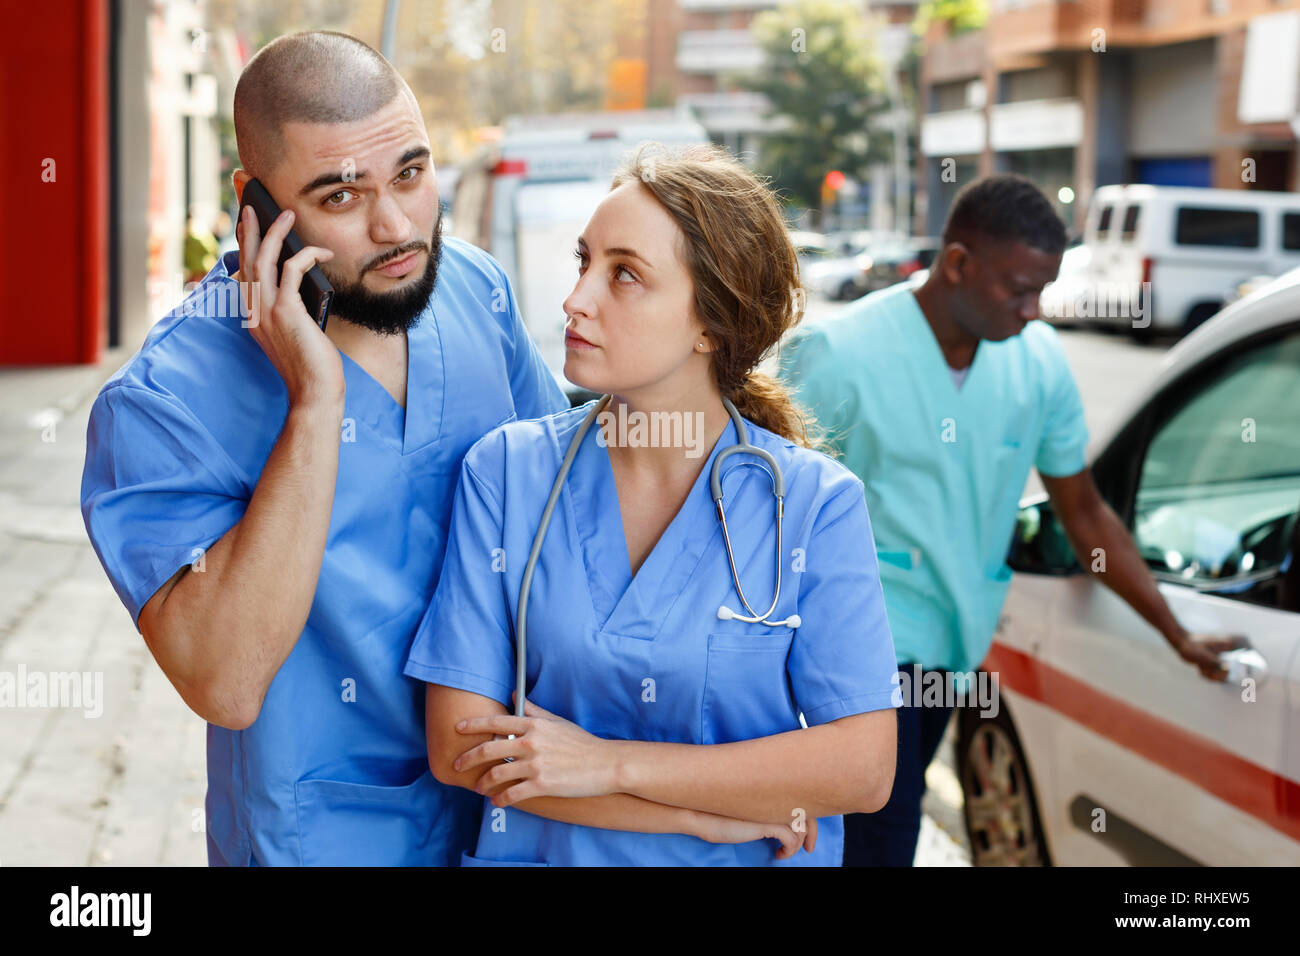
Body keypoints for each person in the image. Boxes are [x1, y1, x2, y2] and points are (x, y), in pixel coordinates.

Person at [80, 31, 567, 866]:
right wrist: (315, 400)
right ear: (257, 205)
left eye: (410, 175)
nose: (397, 225)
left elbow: (569, 508)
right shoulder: (163, 404)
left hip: (518, 815)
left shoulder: (473, 291)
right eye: (340, 197)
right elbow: (225, 682)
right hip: (330, 836)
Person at [403, 144, 900, 866]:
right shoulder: (508, 472)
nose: (576, 300)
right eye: (584, 263)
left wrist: (610, 765)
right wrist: (700, 818)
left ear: (711, 325)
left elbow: (861, 768)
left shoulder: (815, 507)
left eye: (625, 275)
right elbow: (459, 748)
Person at [779, 173, 1246, 867]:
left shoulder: (1038, 363)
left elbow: (1083, 510)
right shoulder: (838, 355)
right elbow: (768, 515)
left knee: (870, 839)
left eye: (1043, 290)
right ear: (958, 263)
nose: (1033, 309)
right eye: (1018, 289)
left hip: (953, 648)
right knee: (884, 836)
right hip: (857, 652)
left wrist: (1175, 634)